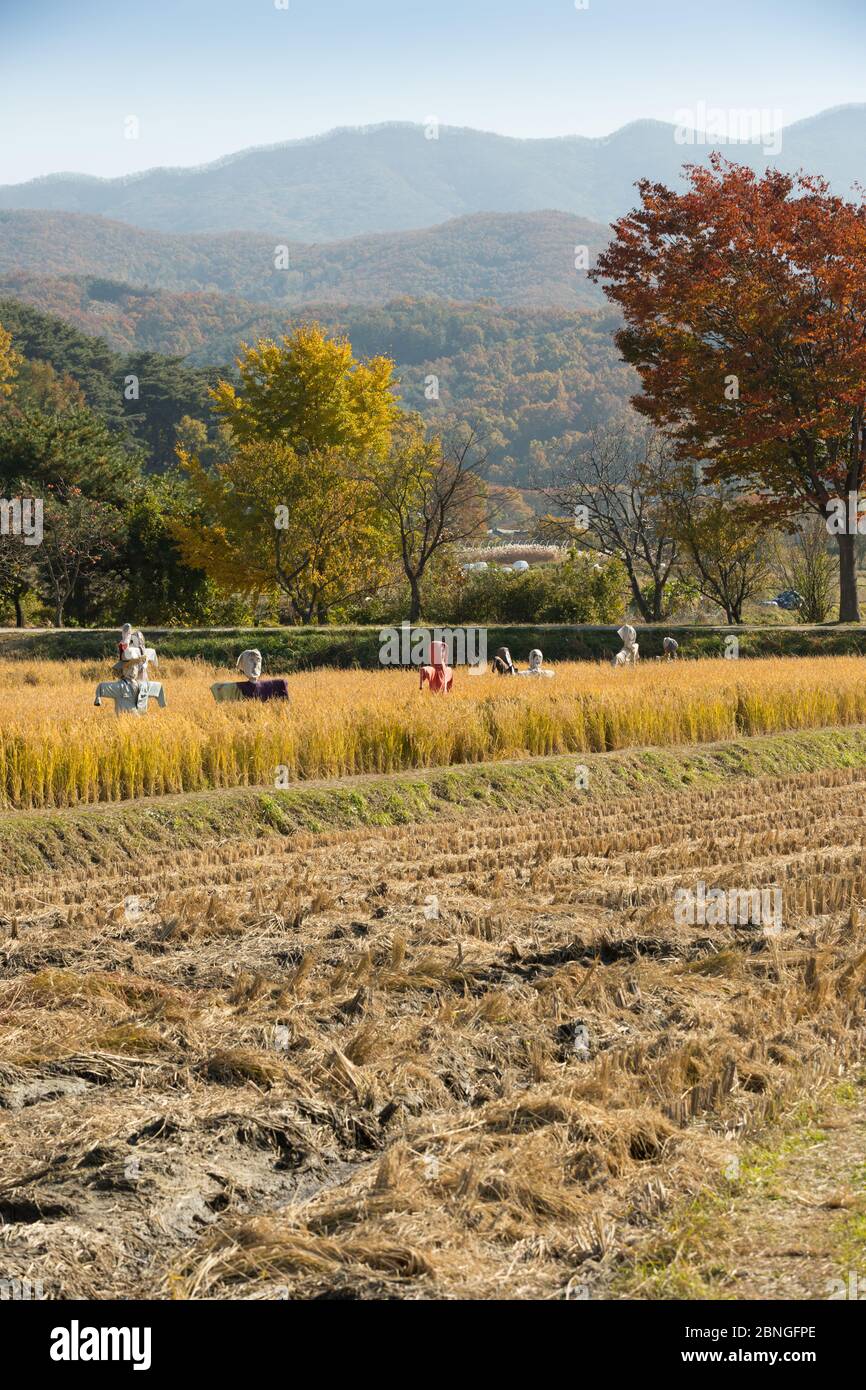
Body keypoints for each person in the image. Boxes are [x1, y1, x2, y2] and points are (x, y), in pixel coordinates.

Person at [211, 649, 290, 703]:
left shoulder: (276, 685)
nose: (255, 664)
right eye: (251, 660)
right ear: (243, 665)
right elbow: (218, 688)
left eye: (258, 660)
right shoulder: (237, 688)